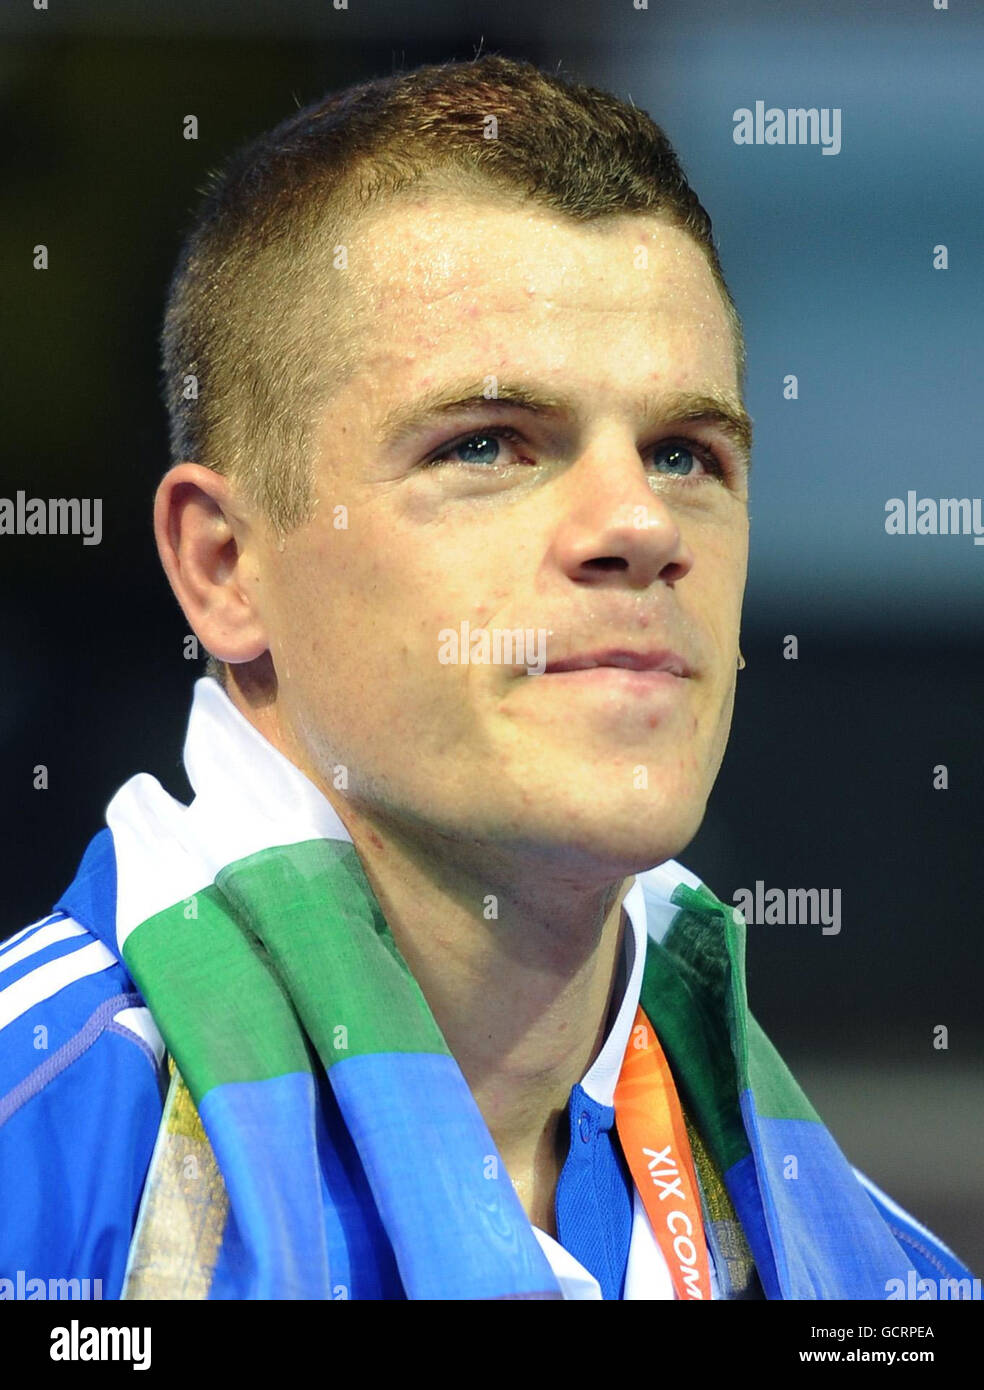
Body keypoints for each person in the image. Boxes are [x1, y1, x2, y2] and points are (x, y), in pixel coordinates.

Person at [0, 54, 976, 1302]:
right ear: (224, 567)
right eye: (488, 443)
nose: (638, 522)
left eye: (684, 452)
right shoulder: (42, 1175)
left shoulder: (897, 1286)